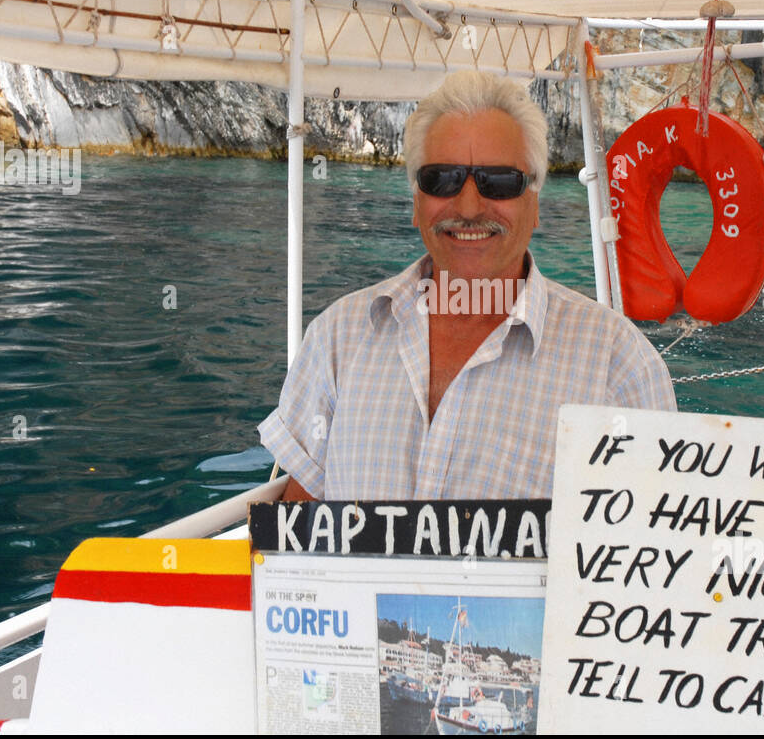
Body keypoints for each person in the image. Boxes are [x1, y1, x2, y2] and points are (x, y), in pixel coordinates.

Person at [258, 71, 676, 501]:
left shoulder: (618, 364)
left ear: (535, 204)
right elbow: (298, 523)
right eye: (442, 179)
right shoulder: (337, 337)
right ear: (416, 203)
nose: (470, 206)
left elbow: (648, 541)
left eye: (499, 182)